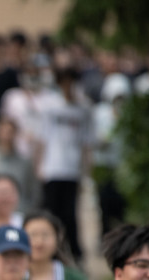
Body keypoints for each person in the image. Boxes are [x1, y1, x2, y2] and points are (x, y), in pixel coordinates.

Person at [37, 68, 92, 261]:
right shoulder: (50, 105)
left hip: (72, 169)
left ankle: (75, 252)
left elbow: (87, 143)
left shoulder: (83, 108)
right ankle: (52, 250)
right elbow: (42, 138)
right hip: (52, 167)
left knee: (70, 213)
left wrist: (87, 171)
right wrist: (39, 166)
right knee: (51, 211)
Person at [23, 211, 105, 280]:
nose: (39, 242)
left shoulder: (74, 279)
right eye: (32, 235)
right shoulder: (10, 278)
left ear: (58, 238)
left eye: (45, 235)